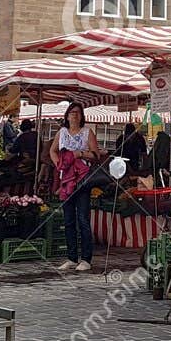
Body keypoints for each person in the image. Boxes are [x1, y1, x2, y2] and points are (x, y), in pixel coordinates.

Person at [53, 105, 100, 271]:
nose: (75, 116)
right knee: (68, 220)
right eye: (72, 113)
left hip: (82, 179)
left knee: (83, 219)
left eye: (78, 113)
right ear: (67, 116)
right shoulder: (61, 133)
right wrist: (60, 164)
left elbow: (96, 154)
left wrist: (79, 154)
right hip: (66, 180)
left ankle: (86, 258)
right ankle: (71, 257)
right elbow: (52, 151)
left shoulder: (87, 132)